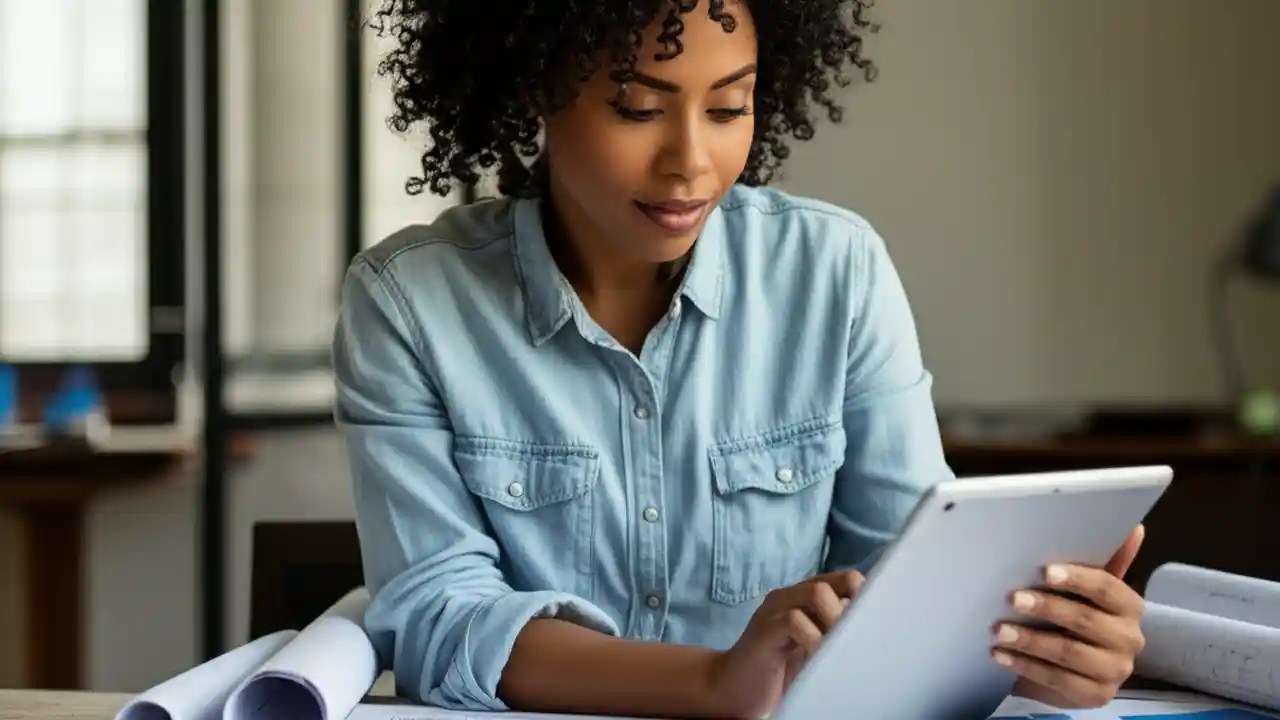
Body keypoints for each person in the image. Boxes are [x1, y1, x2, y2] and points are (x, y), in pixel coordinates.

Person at [332, 1, 1148, 717]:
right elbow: (437, 617)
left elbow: (908, 582)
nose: (691, 161)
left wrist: (1040, 654)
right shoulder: (410, 302)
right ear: (532, 91)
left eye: (728, 107)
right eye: (637, 107)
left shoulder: (836, 272)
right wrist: (712, 682)